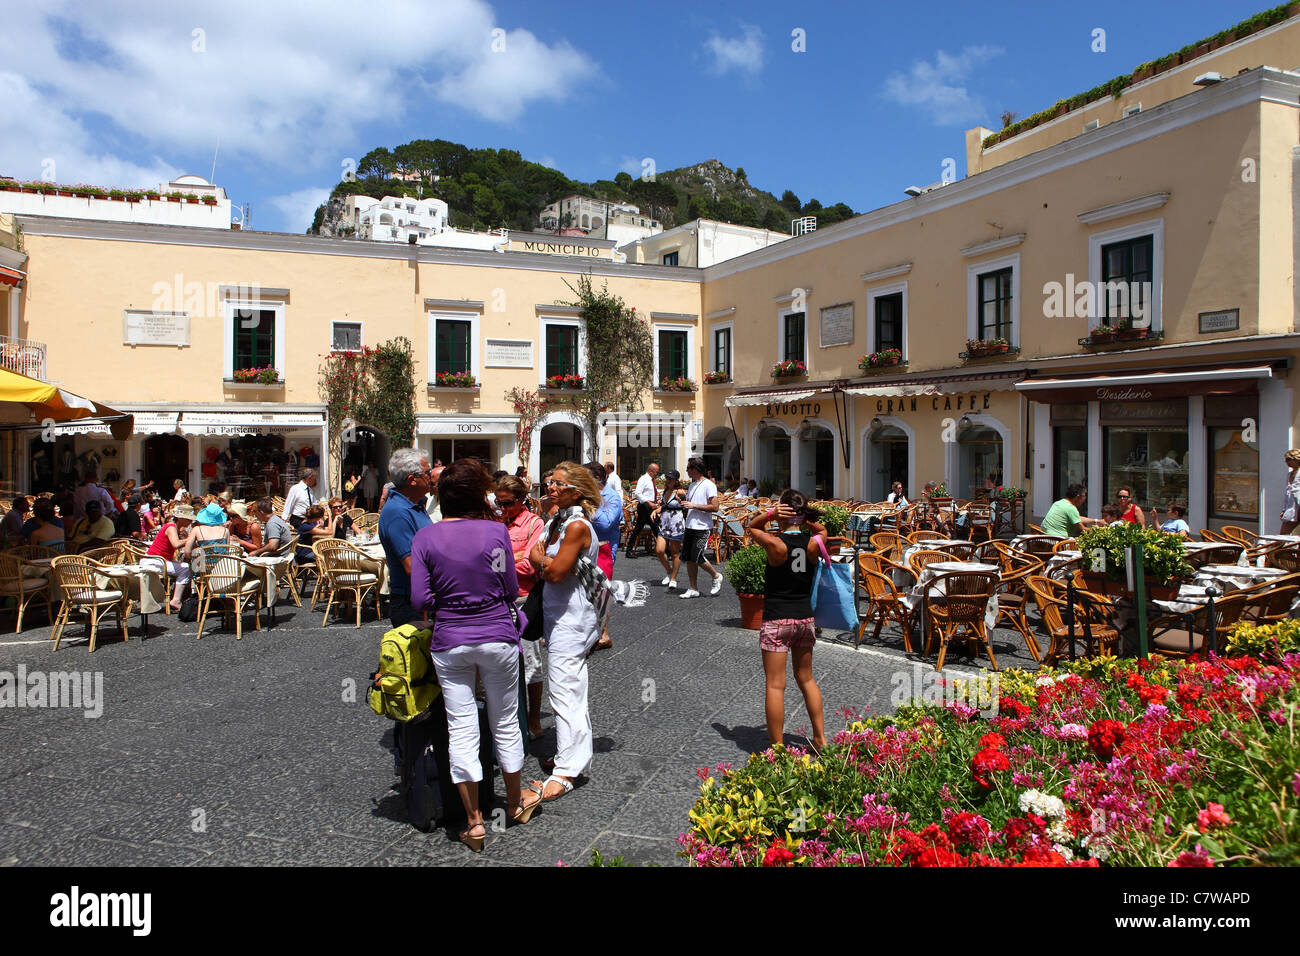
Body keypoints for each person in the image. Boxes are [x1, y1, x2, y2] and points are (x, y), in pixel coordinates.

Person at [410, 460, 540, 850]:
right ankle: (515, 803)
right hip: (497, 635)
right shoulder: (496, 532)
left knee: (461, 727)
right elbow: (506, 586)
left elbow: (420, 598)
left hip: (451, 640)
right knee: (505, 722)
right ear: (477, 494)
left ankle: (474, 821)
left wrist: (446, 599)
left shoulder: (426, 538)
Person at [527, 462, 602, 802]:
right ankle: (568, 755)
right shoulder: (557, 520)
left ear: (576, 491)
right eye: (550, 481)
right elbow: (532, 553)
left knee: (564, 691)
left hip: (574, 620)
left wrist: (543, 562)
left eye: (558, 483)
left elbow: (554, 572)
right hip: (558, 616)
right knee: (568, 688)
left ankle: (568, 770)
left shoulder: (576, 527)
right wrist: (542, 561)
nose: (550, 487)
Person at [746, 489, 829, 750]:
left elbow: (751, 527)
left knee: (775, 685)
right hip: (805, 619)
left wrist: (769, 514)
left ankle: (778, 749)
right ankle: (820, 739)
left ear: (782, 515)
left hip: (776, 620)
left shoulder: (776, 544)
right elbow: (822, 528)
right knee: (807, 679)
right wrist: (803, 518)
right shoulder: (814, 543)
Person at [498, 475, 546, 740]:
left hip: (523, 599)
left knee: (531, 661)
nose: (502, 508)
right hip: (498, 601)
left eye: (507, 503)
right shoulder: (495, 523)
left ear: (521, 500)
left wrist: (503, 559)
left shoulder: (534, 523)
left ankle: (534, 717)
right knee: (502, 663)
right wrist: (513, 557)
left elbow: (531, 565)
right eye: (499, 502)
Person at [378, 448, 434, 627]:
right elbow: (412, 566)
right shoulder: (398, 513)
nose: (431, 476)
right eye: (427, 472)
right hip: (411, 601)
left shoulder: (413, 506)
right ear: (412, 480)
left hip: (420, 597)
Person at [680, 457, 723, 599]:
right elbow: (692, 505)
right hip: (690, 526)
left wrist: (694, 506)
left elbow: (715, 507)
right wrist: (684, 503)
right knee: (689, 558)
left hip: (703, 528)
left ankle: (716, 576)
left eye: (688, 468)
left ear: (696, 469)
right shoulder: (692, 485)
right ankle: (693, 588)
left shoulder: (709, 485)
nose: (686, 471)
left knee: (697, 556)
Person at [142, 504, 196, 610]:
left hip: (156, 559)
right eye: (188, 520)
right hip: (155, 561)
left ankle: (177, 596)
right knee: (185, 569)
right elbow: (175, 544)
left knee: (184, 567)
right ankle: (176, 600)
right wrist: (190, 538)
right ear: (181, 518)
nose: (190, 522)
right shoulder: (171, 527)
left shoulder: (174, 527)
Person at [653, 469, 685, 589]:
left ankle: (673, 578)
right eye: (667, 478)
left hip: (676, 524)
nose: (668, 480)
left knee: (675, 553)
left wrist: (681, 498)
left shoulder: (680, 491)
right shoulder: (666, 490)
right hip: (665, 523)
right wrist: (657, 510)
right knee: (659, 550)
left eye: (671, 479)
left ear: (676, 480)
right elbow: (664, 506)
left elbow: (685, 503)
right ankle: (669, 571)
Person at [626, 462, 659, 558]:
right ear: (651, 471)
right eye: (656, 472)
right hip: (645, 507)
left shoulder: (651, 480)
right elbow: (638, 493)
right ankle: (629, 550)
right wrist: (649, 502)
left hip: (650, 507)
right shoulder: (643, 479)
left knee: (655, 528)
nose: (657, 474)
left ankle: (664, 549)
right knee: (639, 528)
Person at [1280, 449, 1300, 535]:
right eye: (1285, 459)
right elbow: (1287, 495)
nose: (1286, 462)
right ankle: (1286, 548)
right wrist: (1284, 510)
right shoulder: (1289, 475)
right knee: (1284, 533)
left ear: (1296, 459)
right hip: (1292, 508)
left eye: (1288, 459)